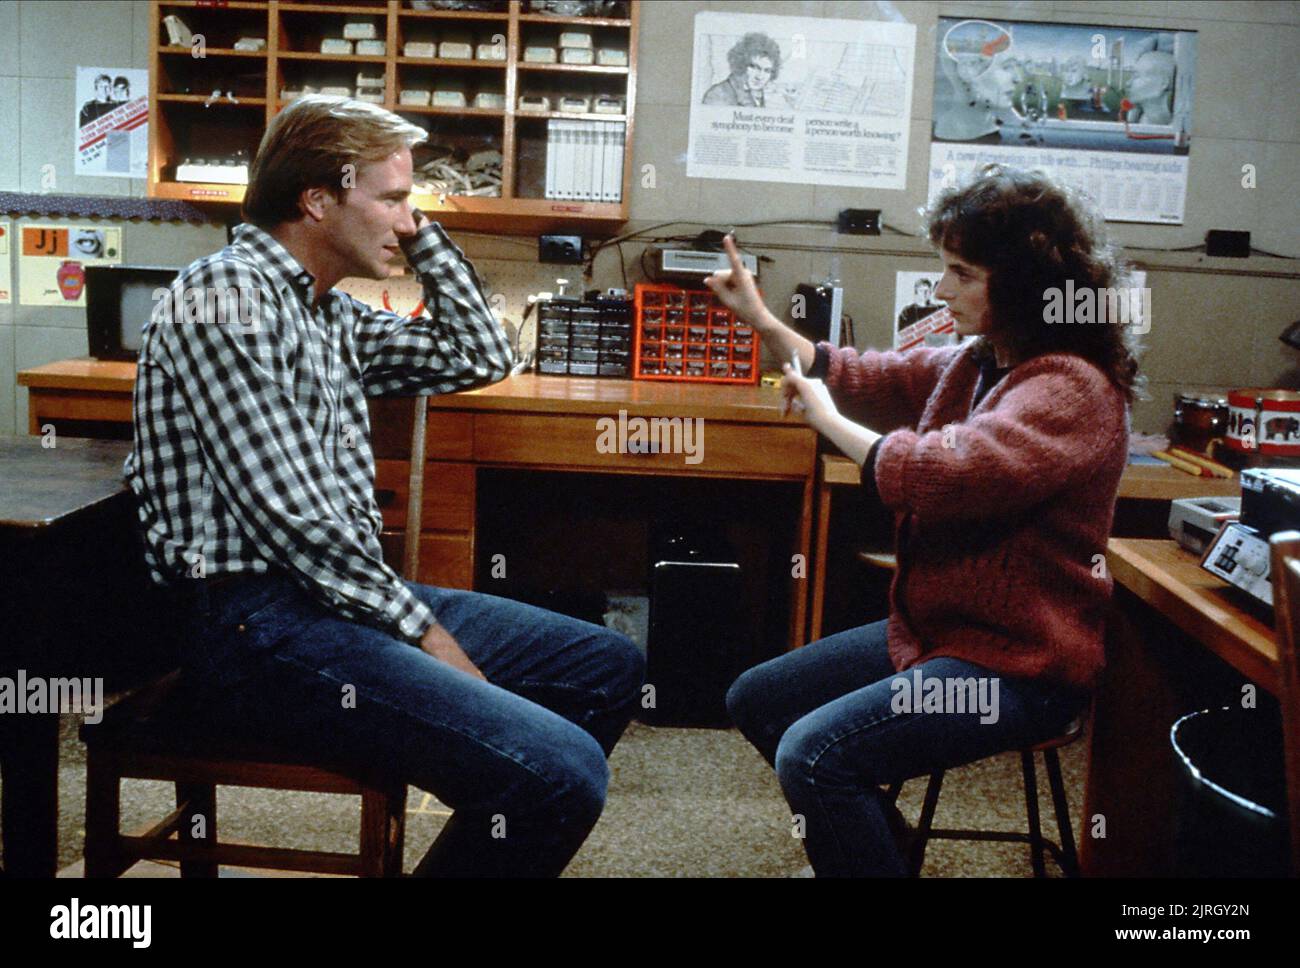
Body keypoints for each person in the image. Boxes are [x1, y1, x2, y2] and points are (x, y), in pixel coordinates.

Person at [124, 95, 644, 877]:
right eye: (395, 199)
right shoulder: (223, 300)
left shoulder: (325, 311)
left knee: (607, 668)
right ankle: (505, 772)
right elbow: (293, 518)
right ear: (317, 198)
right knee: (562, 775)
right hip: (246, 630)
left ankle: (490, 793)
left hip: (329, 607)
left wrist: (425, 240)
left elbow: (478, 356)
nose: (407, 220)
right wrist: (426, 638)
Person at [706, 164, 1140, 877]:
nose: (941, 289)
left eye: (961, 273)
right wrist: (762, 321)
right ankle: (883, 851)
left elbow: (943, 475)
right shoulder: (980, 362)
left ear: (1024, 284)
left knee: (813, 757)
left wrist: (825, 418)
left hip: (1020, 667)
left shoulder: (1071, 389)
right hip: (942, 634)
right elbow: (856, 373)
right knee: (758, 699)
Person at [702, 32, 781, 107]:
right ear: (741, 64)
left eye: (767, 71)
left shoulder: (761, 96)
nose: (760, 77)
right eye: (754, 67)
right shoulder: (718, 95)